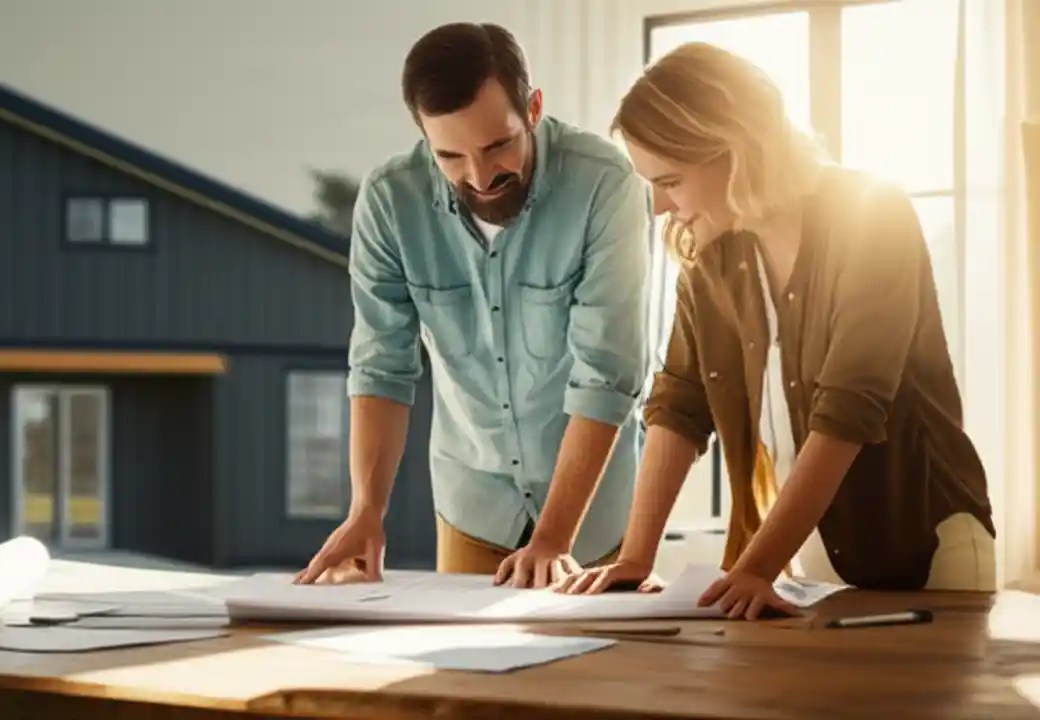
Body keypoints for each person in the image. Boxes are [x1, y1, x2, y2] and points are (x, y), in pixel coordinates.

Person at [554, 41, 997, 617]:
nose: (660, 206)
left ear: (733, 153)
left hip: (926, 551)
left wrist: (756, 567)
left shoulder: (872, 215)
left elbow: (850, 408)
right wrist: (637, 556)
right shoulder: (713, 254)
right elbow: (681, 403)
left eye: (671, 180)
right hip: (813, 558)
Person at [294, 22, 651, 588]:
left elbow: (607, 377)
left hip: (597, 516)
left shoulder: (605, 186)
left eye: (498, 145)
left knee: (600, 672)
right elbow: (381, 367)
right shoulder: (391, 201)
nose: (480, 177)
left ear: (532, 108)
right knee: (470, 673)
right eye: (450, 156)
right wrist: (366, 511)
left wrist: (554, 539)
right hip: (474, 505)